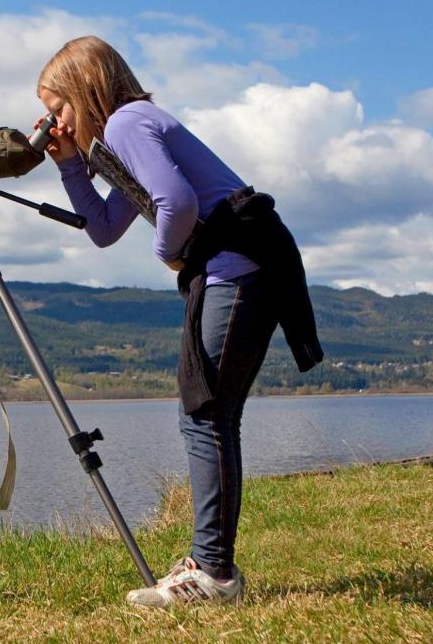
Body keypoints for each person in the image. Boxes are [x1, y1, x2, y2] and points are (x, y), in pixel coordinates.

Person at [35, 36, 315, 608]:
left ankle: (213, 573)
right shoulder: (121, 138)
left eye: (58, 109)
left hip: (234, 267)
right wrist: (70, 165)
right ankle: (212, 566)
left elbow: (177, 204)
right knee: (212, 414)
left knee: (205, 412)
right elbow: (106, 227)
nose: (52, 121)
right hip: (248, 264)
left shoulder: (128, 124)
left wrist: (170, 254)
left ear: (87, 91)